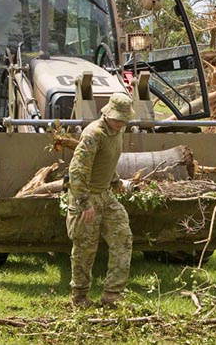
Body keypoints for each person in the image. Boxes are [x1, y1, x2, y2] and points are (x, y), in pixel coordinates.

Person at [64, 93, 136, 309]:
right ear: (107, 114)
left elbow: (106, 161)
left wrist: (115, 182)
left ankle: (112, 295)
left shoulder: (117, 131)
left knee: (123, 238)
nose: (121, 123)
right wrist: (84, 203)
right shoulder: (93, 134)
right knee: (85, 248)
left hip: (105, 194)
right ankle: (79, 297)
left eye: (124, 119)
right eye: (118, 119)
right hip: (86, 196)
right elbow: (77, 171)